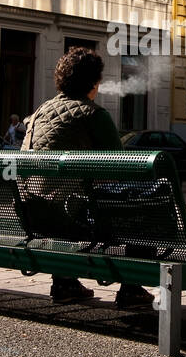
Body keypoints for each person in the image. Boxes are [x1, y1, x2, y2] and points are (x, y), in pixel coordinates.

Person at [22, 47, 153, 309]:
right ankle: (132, 287)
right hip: (70, 216)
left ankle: (65, 282)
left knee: (63, 197)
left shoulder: (40, 112)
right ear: (94, 82)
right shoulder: (93, 114)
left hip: (33, 212)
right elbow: (121, 168)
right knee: (146, 210)